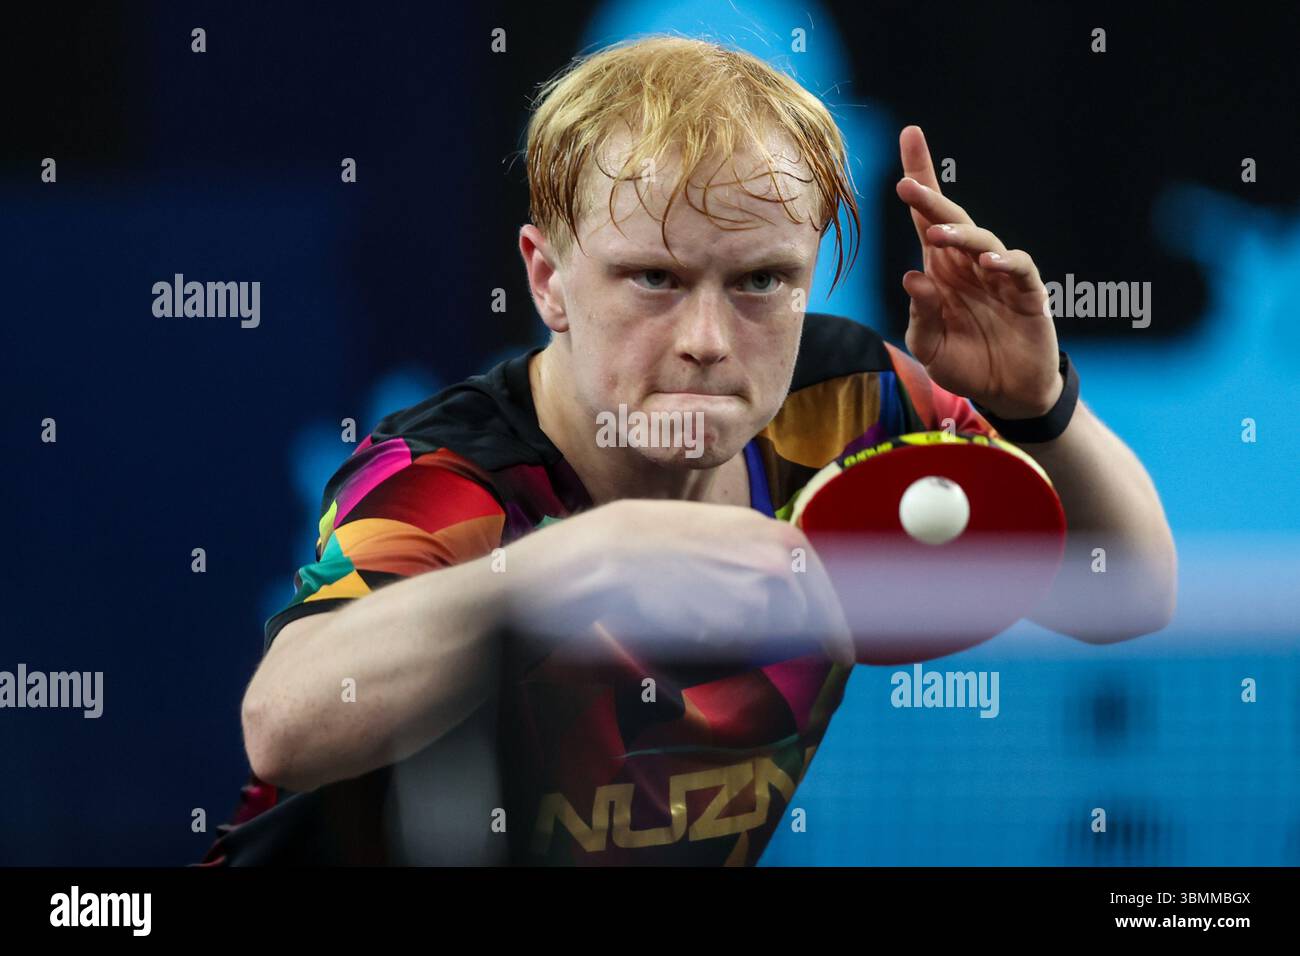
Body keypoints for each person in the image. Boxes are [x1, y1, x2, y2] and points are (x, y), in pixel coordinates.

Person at [201, 35, 1176, 866]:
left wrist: (1038, 408)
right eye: (653, 278)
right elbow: (284, 723)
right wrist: (562, 566)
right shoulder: (452, 476)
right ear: (546, 280)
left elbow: (1125, 594)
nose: (707, 337)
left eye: (760, 278)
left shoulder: (848, 406)